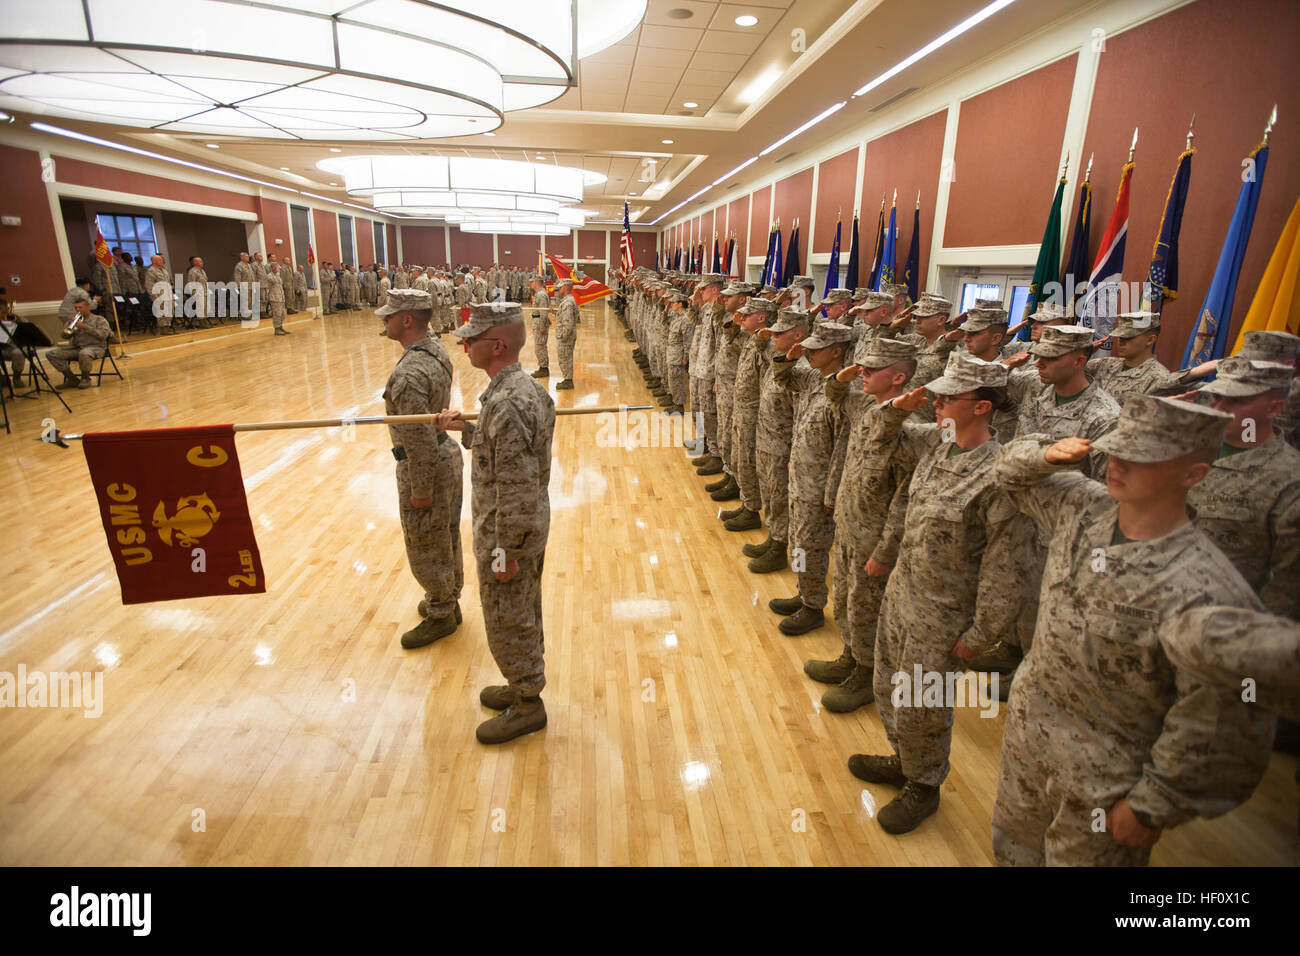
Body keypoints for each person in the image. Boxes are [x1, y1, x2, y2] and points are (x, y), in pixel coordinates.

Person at [990, 396, 1274, 865]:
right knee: (1012, 853)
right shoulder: (1081, 506)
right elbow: (1005, 472)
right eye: (1119, 449)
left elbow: (1227, 722)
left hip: (1104, 783)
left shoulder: (1208, 589)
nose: (1119, 463)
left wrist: (1153, 806)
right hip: (1028, 745)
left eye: (1143, 457)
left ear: (1193, 474)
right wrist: (1046, 454)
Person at [851, 352, 1026, 834]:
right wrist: (885, 554)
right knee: (888, 685)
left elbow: (1006, 566)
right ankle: (902, 758)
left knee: (924, 703)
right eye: (939, 394)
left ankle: (924, 785)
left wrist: (982, 634)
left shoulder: (1000, 474)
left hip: (946, 614)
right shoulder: (936, 444)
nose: (938, 402)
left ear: (983, 407)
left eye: (951, 397)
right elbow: (884, 453)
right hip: (903, 591)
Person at [436, 302, 556, 745]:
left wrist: (506, 552)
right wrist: (468, 430)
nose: (464, 344)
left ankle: (528, 703)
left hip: (508, 534)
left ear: (498, 345)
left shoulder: (507, 403)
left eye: (473, 338)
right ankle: (521, 681)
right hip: (518, 529)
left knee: (509, 616)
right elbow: (503, 454)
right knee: (520, 611)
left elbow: (517, 486)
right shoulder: (519, 392)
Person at [806, 336, 918, 711]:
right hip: (850, 524)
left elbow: (905, 499)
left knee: (870, 609)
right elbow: (834, 392)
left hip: (875, 539)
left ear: (900, 378)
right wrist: (848, 373)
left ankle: (869, 675)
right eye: (864, 365)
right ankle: (851, 657)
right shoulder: (864, 407)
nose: (865, 372)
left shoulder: (910, 428)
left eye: (875, 367)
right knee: (848, 603)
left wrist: (886, 551)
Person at [379, 289, 465, 649]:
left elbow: (417, 440)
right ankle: (447, 598)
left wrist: (420, 488)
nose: (384, 320)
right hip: (445, 454)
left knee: (425, 540)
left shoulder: (410, 373)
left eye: (389, 315)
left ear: (407, 320)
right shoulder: (435, 349)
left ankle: (441, 612)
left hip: (426, 462)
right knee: (445, 534)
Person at [1186, 355, 1300, 620]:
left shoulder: (1289, 480)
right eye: (1216, 397)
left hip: (1227, 629)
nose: (1220, 407)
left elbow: (1285, 593)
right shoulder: (1187, 450)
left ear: (1274, 409)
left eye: (1236, 401)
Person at [769, 321, 853, 635]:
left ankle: (813, 606)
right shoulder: (811, 378)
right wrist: (790, 357)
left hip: (819, 489)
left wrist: (831, 496)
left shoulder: (845, 394)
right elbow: (783, 377)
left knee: (812, 547)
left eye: (817, 348)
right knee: (799, 543)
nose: (810, 351)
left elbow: (843, 449)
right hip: (800, 478)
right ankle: (804, 592)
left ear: (836, 351)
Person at [48, 298, 110, 389]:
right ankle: (72, 379)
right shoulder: (75, 320)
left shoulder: (99, 320)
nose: (77, 310)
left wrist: (84, 327)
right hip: (76, 348)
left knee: (84, 353)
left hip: (96, 347)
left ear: (88, 307)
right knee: (52, 354)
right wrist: (69, 325)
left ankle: (85, 378)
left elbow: (103, 335)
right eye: (76, 308)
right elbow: (64, 336)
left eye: (80, 307)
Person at [553, 276, 578, 390]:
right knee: (565, 357)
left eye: (561, 287)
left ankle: (568, 381)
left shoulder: (568, 303)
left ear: (566, 287)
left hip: (565, 336)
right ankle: (567, 379)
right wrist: (554, 311)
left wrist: (564, 335)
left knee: (565, 358)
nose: (559, 289)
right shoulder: (568, 301)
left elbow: (568, 321)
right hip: (565, 335)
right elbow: (564, 316)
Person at [528, 275, 551, 378]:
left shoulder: (541, 294)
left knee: (540, 346)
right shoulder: (539, 293)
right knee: (539, 346)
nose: (531, 284)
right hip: (537, 321)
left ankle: (544, 369)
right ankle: (543, 367)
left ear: (537, 282)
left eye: (532, 282)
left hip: (539, 322)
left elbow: (543, 312)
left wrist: (542, 326)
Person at [145, 255, 172, 334]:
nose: (162, 261)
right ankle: (163, 328)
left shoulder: (164, 270)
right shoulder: (151, 271)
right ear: (154, 261)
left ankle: (168, 326)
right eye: (160, 260)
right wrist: (155, 297)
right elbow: (149, 285)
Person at [265, 262, 289, 336]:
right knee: (277, 314)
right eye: (278, 268)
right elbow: (274, 282)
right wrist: (276, 274)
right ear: (273, 268)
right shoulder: (270, 276)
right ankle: (277, 329)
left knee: (282, 314)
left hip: (280, 297)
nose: (279, 269)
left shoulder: (278, 276)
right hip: (275, 298)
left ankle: (280, 327)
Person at [184, 256, 209, 327]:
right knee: (200, 307)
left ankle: (204, 320)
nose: (202, 263)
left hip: (204, 291)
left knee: (204, 307)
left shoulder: (202, 271)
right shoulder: (192, 271)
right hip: (198, 292)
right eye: (200, 261)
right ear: (195, 263)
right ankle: (201, 322)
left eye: (201, 261)